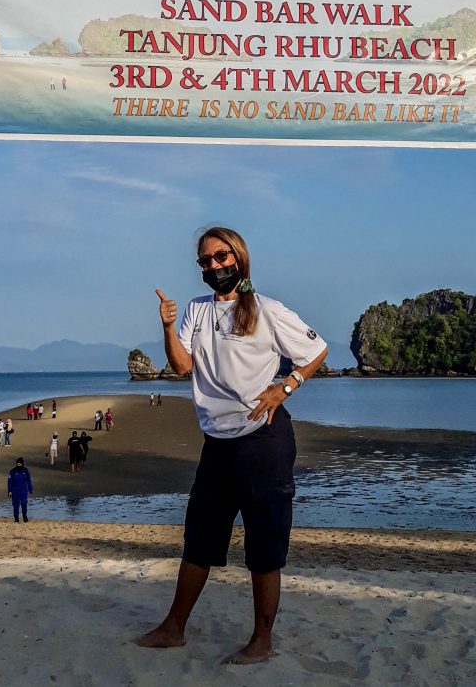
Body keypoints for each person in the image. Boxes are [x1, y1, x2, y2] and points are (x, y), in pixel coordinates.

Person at [137, 226, 328, 665]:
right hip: (217, 444)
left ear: (239, 258)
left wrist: (286, 387)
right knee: (198, 540)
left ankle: (262, 640)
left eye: (221, 257)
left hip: (264, 442)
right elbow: (182, 364)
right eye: (205, 261)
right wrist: (167, 326)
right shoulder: (196, 311)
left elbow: (316, 351)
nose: (213, 266)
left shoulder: (267, 310)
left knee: (264, 548)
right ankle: (173, 628)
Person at [7, 457, 33, 523]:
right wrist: (9, 491)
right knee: (16, 505)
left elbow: (29, 480)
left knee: (24, 503)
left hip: (23, 490)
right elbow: (9, 481)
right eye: (18, 464)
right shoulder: (12, 471)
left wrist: (30, 489)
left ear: (22, 464)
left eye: (20, 464)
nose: (19, 465)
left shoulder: (25, 470)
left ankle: (24, 516)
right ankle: (16, 519)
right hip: (15, 490)